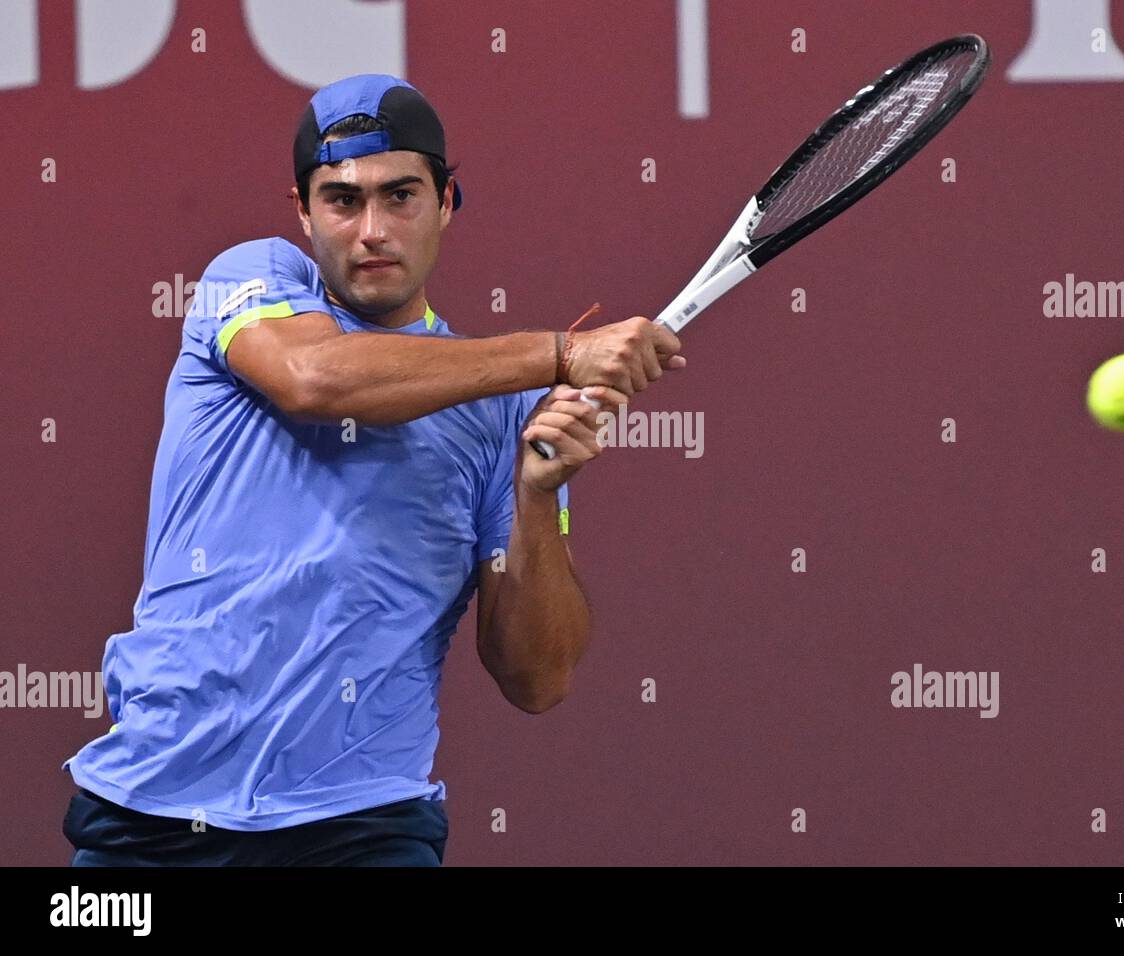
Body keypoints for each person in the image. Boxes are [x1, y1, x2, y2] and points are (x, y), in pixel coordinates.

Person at [61, 73, 684, 866]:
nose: (372, 230)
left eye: (401, 196)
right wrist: (559, 354)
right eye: (342, 200)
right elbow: (316, 380)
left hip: (363, 828)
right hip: (151, 815)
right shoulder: (248, 279)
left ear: (448, 201)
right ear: (302, 209)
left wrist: (535, 498)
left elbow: (539, 677)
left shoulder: (497, 416)